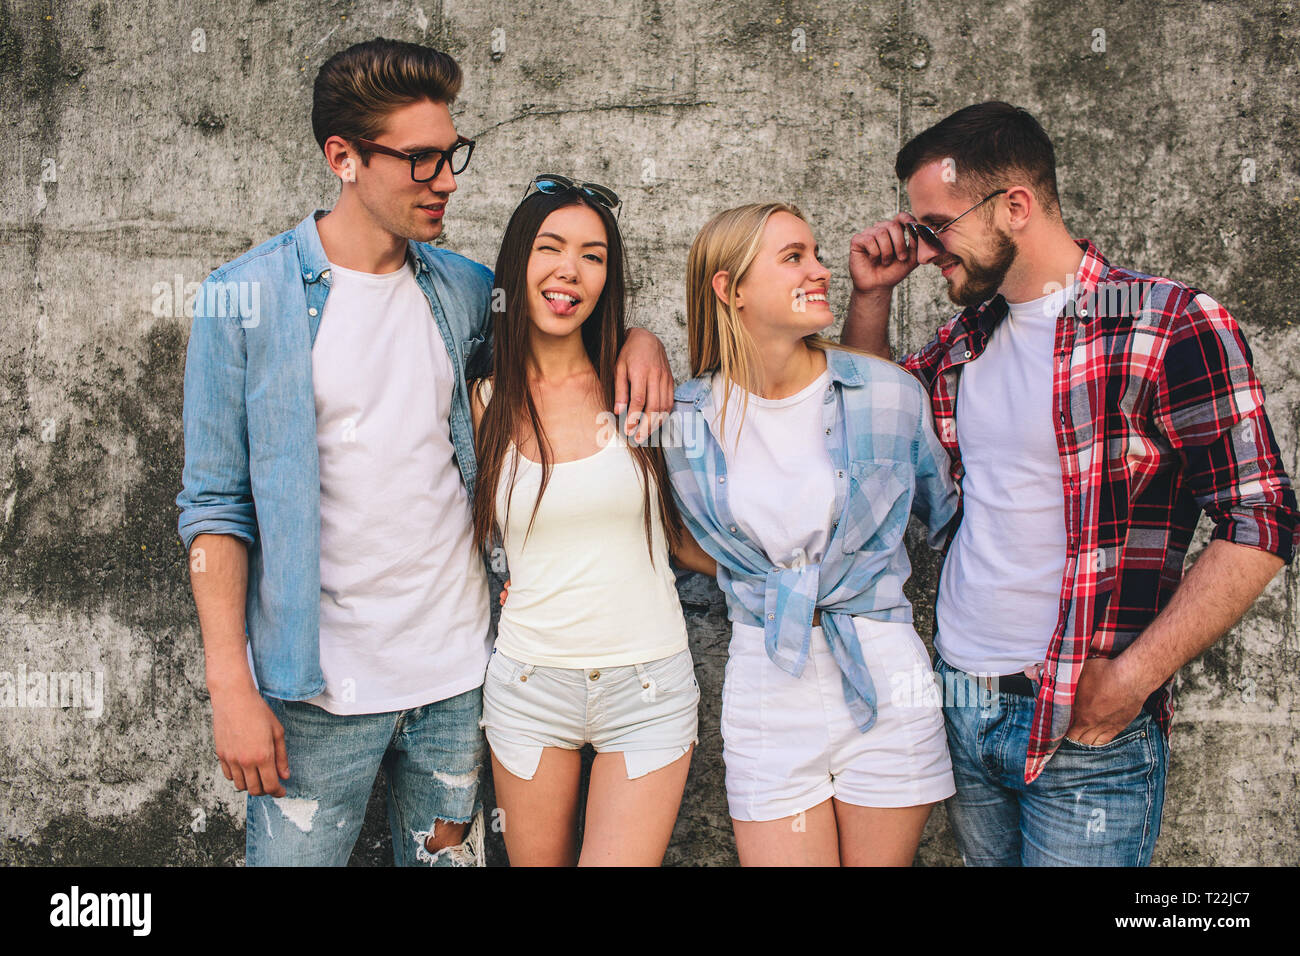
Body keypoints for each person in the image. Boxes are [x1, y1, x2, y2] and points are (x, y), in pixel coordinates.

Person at [175, 40, 674, 866]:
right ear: (343, 158)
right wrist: (230, 683)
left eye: (452, 156)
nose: (446, 180)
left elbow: (555, 348)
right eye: (421, 160)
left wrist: (642, 339)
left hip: (458, 678)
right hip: (315, 691)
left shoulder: (468, 289)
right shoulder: (245, 300)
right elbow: (217, 506)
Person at [843, 101, 1299, 866]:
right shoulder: (964, 341)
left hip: (1085, 727)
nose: (925, 251)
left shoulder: (1167, 323)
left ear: (1014, 206)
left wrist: (1132, 680)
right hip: (963, 698)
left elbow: (1261, 518)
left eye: (935, 226)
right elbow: (869, 423)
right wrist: (872, 296)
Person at [664, 202, 961, 866]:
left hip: (882, 674)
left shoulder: (888, 394)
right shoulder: (681, 417)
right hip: (767, 681)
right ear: (730, 288)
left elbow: (956, 526)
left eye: (817, 253)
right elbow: (672, 540)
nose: (820, 270)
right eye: (793, 257)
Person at [470, 175, 715, 866]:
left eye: (594, 255)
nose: (569, 271)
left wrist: (786, 579)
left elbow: (680, 534)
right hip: (528, 686)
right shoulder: (480, 402)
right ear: (517, 262)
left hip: (648, 688)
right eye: (550, 247)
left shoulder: (637, 389)